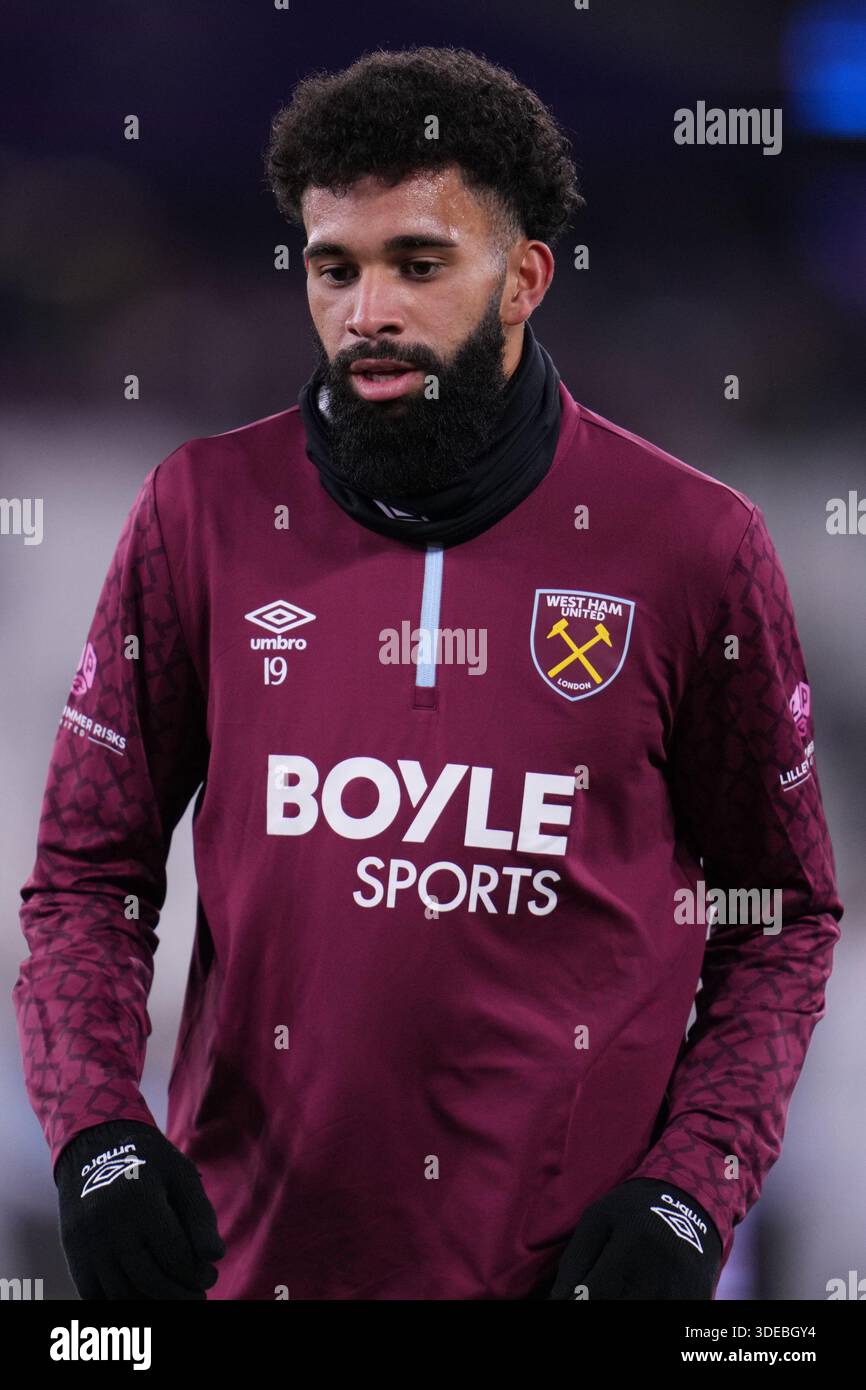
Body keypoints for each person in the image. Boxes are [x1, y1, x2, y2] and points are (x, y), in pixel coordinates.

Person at [13, 45, 843, 1301]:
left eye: (416, 263)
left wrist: (692, 1189)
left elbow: (778, 915)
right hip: (248, 1275)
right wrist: (94, 1137)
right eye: (333, 268)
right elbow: (88, 873)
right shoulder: (201, 511)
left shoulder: (691, 546)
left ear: (521, 279)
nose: (366, 313)